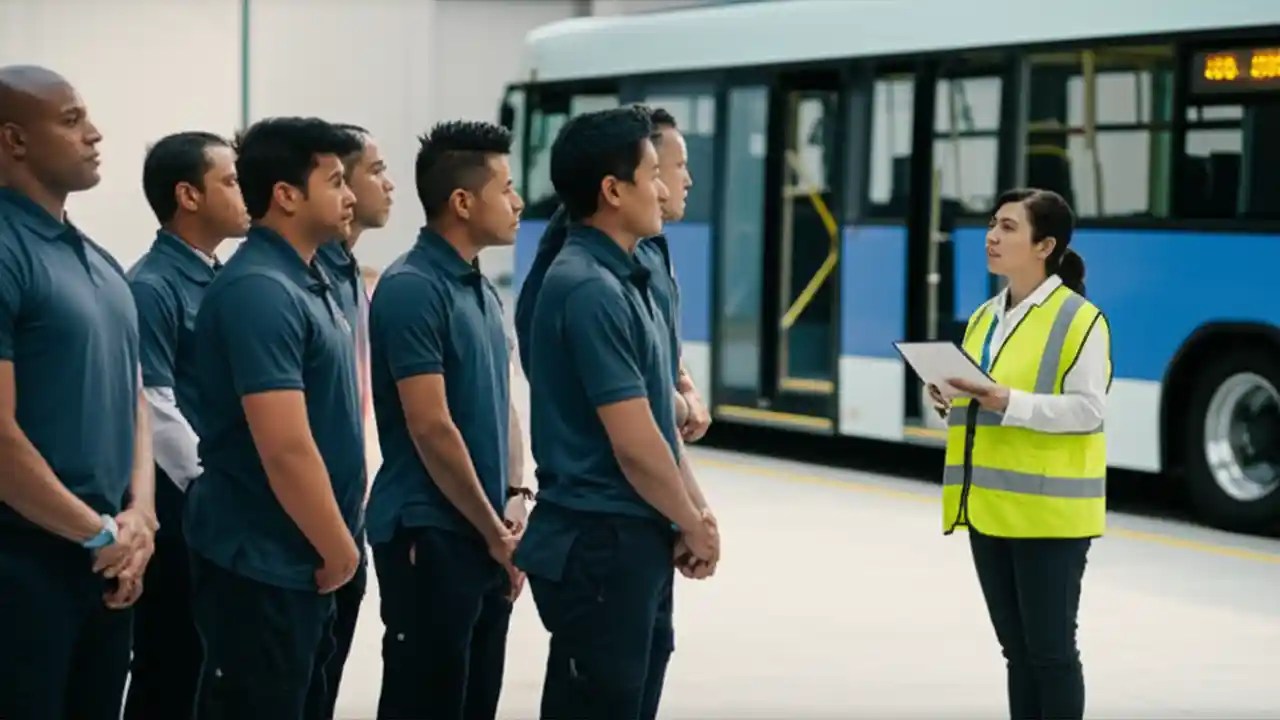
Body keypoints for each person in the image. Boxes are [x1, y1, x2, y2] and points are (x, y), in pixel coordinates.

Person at [513, 106, 720, 719]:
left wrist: (694, 512)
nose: (665, 187)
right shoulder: (588, 287)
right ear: (612, 190)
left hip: (633, 532)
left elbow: (658, 419)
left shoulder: (628, 278)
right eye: (654, 171)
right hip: (600, 539)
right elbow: (633, 442)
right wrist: (690, 519)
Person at [184, 116, 364, 719]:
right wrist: (339, 547)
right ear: (286, 195)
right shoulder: (260, 290)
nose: (351, 196)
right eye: (336, 180)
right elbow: (284, 446)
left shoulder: (308, 280)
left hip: (303, 559)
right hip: (264, 563)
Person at [0, 64, 157, 720]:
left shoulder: (97, 260)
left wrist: (139, 517)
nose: (94, 134)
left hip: (108, 556)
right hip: (24, 561)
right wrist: (97, 534)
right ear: (13, 139)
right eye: (70, 120)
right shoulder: (9, 251)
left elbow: (135, 398)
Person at [365, 119, 527, 720]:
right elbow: (431, 427)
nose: (518, 202)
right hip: (431, 535)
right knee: (425, 700)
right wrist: (492, 532)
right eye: (505, 188)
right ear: (462, 201)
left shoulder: (480, 291)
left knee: (474, 699)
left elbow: (502, 404)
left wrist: (514, 501)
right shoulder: (413, 288)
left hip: (485, 534)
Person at [933, 187, 1110, 720]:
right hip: (990, 509)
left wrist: (1007, 401)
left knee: (1051, 655)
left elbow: (1089, 411)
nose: (991, 235)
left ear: (1044, 245)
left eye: (1008, 227)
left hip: (1050, 518)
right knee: (1017, 654)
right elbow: (981, 398)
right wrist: (948, 397)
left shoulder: (1081, 320)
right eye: (992, 223)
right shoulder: (986, 316)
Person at [124, 130, 250, 720]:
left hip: (220, 509)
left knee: (213, 664)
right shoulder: (153, 285)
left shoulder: (219, 276)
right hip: (183, 513)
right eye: (229, 179)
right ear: (188, 195)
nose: (243, 189)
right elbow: (154, 402)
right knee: (172, 665)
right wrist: (211, 484)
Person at [513, 107, 712, 445]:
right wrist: (672, 405)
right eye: (677, 166)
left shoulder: (646, 246)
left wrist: (684, 385)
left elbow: (656, 341)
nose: (686, 180)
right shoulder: (585, 270)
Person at [305, 122, 394, 720]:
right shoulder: (297, 280)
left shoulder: (348, 278)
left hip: (346, 509)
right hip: (311, 528)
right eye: (373, 171)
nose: (388, 184)